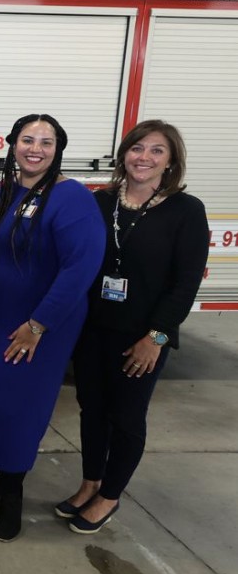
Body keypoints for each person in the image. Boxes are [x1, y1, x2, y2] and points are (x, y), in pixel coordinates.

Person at [59, 120, 208, 534]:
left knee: (126, 416)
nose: (144, 157)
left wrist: (156, 338)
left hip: (142, 337)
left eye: (157, 151)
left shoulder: (186, 211)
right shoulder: (101, 202)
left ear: (171, 160)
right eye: (138, 148)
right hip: (94, 329)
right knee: (93, 411)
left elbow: (186, 283)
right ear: (124, 153)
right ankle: (91, 481)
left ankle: (109, 495)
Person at [0, 113, 105, 542]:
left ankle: (13, 493)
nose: (35, 149)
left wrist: (38, 325)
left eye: (46, 142)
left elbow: (79, 270)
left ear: (58, 148)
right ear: (12, 144)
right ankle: (3, 473)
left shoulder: (72, 198)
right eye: (28, 139)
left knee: (20, 408)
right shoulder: (7, 190)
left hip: (36, 327)